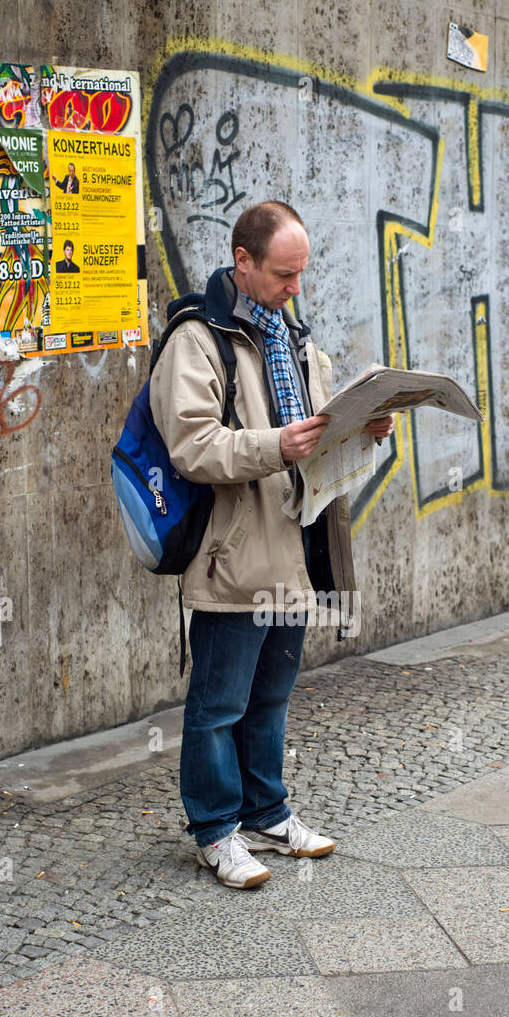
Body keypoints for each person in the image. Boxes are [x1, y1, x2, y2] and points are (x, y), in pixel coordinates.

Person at [152, 200, 393, 889]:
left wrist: (366, 429)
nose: (296, 288)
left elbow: (321, 432)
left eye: (301, 274)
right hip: (236, 552)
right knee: (219, 702)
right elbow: (191, 446)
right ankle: (216, 830)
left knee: (271, 697)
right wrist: (274, 445)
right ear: (244, 263)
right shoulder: (196, 340)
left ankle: (266, 812)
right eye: (284, 274)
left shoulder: (293, 337)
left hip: (296, 546)